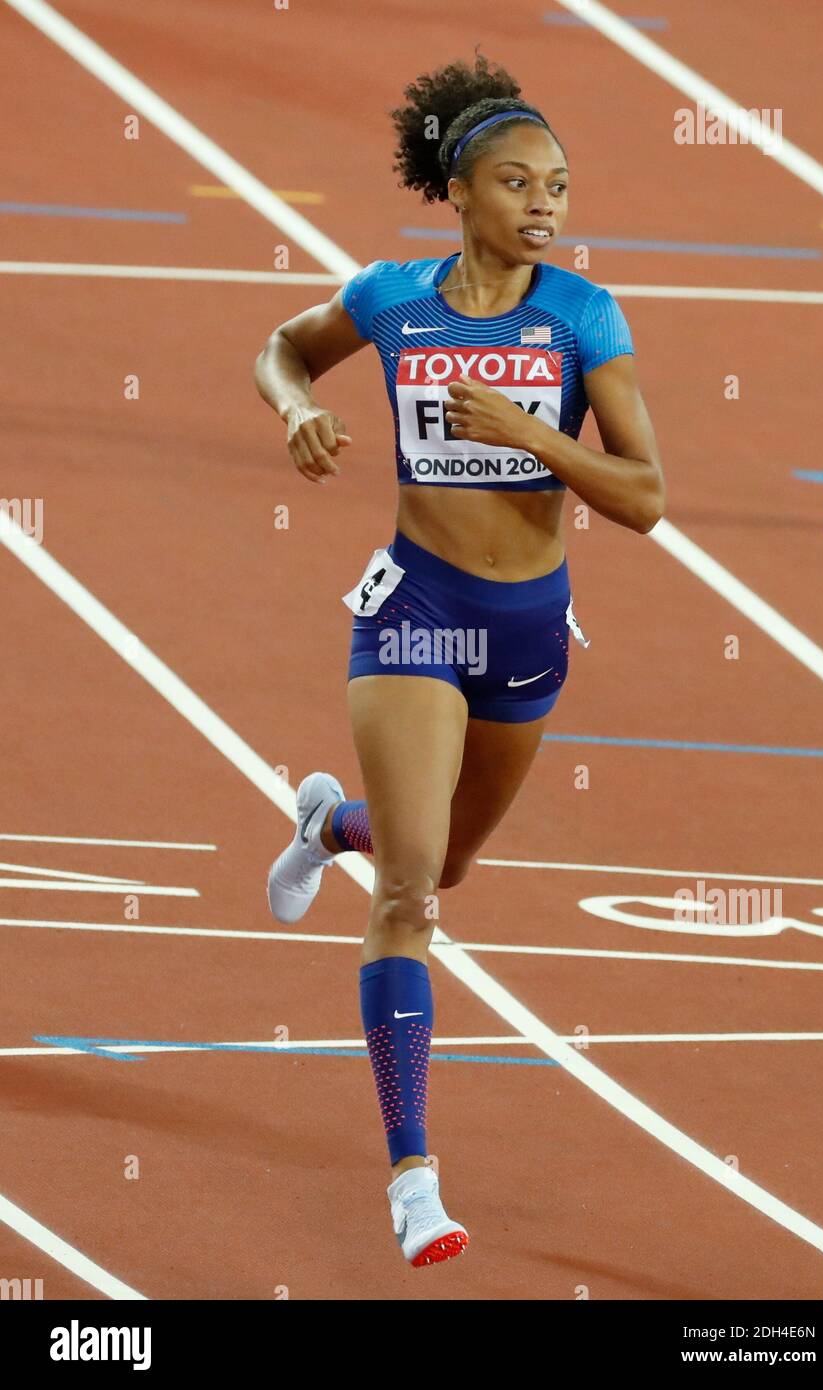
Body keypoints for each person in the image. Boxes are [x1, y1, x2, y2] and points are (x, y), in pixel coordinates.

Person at [254, 54, 665, 1269]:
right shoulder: (391, 301)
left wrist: (534, 431)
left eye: (559, 183)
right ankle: (414, 1178)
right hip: (413, 614)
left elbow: (644, 497)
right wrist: (293, 409)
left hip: (529, 626)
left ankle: (331, 825)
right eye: (517, 180)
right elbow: (282, 345)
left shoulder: (583, 317)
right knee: (413, 896)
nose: (545, 201)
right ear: (458, 190)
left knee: (451, 858)